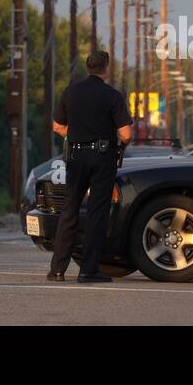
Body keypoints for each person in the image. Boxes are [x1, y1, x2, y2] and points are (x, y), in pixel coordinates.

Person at [48, 51, 133, 283]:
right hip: (101, 157)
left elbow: (57, 126)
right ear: (105, 68)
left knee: (69, 210)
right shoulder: (111, 95)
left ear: (88, 67)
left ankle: (57, 269)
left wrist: (76, 134)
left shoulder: (70, 91)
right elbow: (126, 134)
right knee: (97, 213)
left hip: (75, 155)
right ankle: (88, 270)